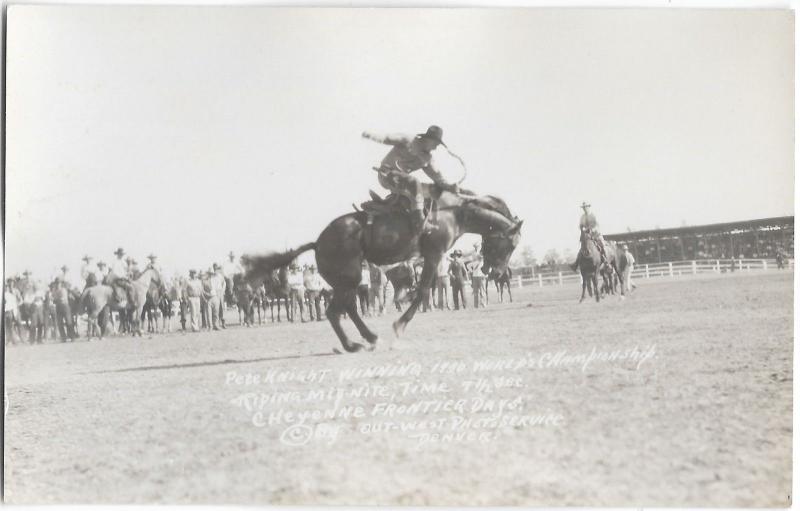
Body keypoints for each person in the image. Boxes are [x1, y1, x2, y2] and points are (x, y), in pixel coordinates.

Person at [362, 125, 460, 235]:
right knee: (414, 182)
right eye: (436, 144)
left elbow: (438, 177)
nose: (435, 148)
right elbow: (386, 138)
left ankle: (410, 216)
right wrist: (370, 135)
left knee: (432, 189)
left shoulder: (427, 159)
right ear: (428, 139)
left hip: (403, 182)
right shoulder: (407, 140)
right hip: (387, 175)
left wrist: (450, 187)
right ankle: (419, 221)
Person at [570, 202, 607, 271]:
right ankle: (576, 263)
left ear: (588, 207)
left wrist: (592, 229)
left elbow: (597, 225)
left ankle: (605, 259)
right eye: (584, 207)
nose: (585, 209)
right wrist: (582, 228)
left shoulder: (593, 216)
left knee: (602, 244)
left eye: (586, 207)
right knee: (582, 247)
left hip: (595, 233)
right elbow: (580, 225)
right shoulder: (582, 217)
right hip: (586, 234)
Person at [471, 244, 488, 308]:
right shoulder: (473, 254)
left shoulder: (482, 257)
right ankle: (476, 305)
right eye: (475, 246)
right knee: (475, 292)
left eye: (477, 246)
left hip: (481, 276)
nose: (476, 247)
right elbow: (469, 265)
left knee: (482, 291)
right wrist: (471, 271)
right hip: (475, 276)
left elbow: (488, 268)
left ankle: (483, 303)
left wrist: (486, 274)